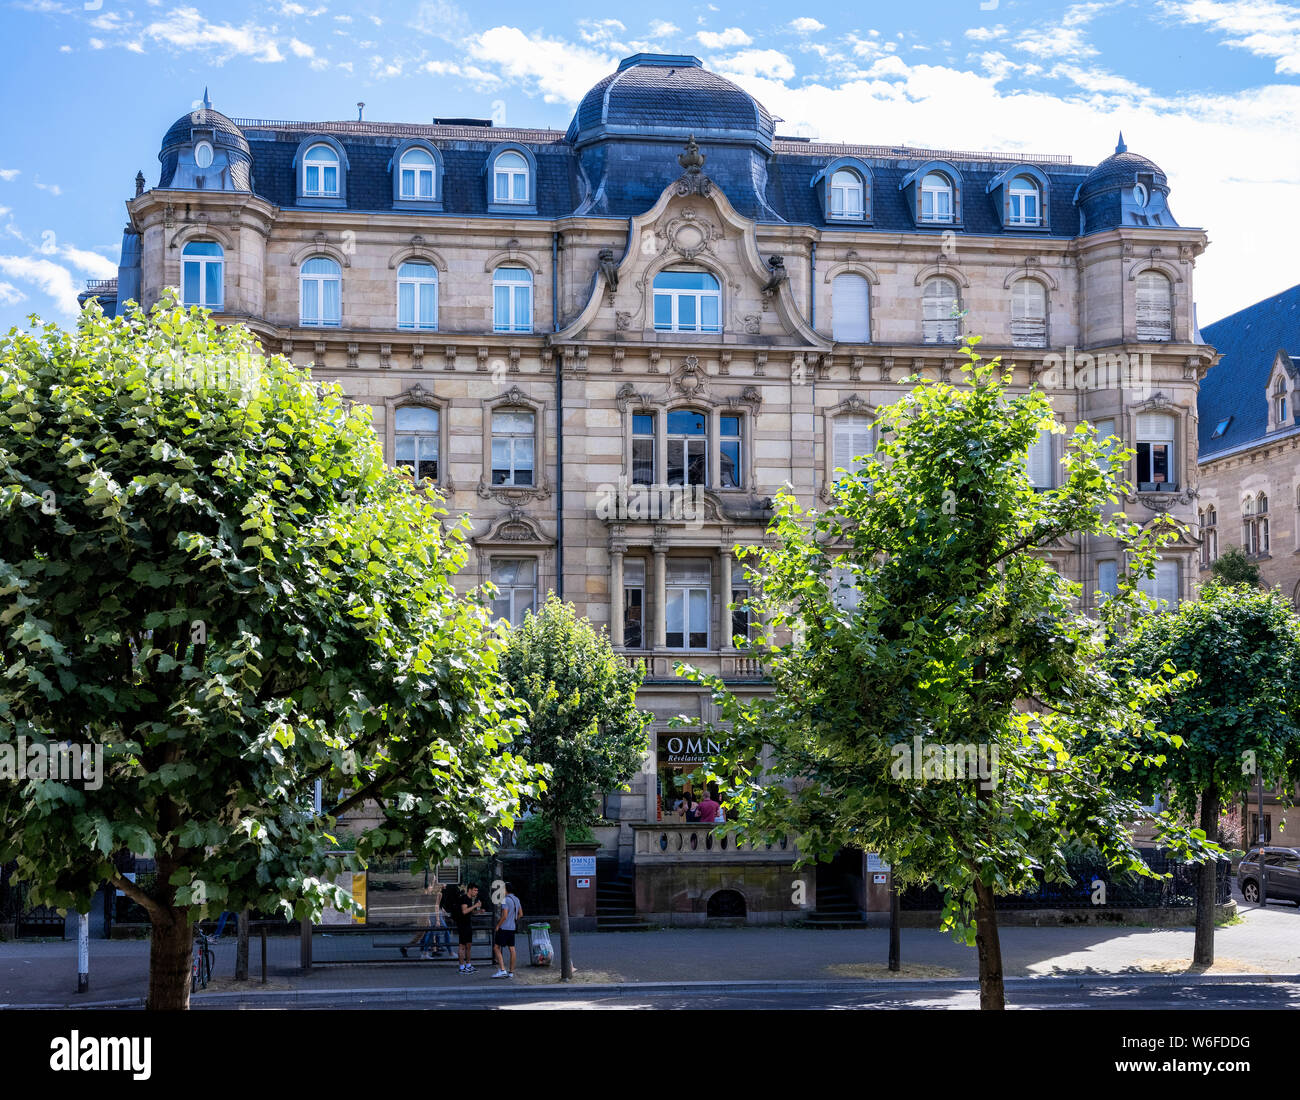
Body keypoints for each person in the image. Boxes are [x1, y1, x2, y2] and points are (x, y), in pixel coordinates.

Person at [401, 877, 445, 959]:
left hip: (425, 916)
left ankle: (434, 950)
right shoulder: (424, 894)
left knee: (431, 932)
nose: (432, 887)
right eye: (430, 886)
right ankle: (405, 948)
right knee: (420, 935)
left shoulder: (427, 893)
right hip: (422, 917)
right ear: (426, 887)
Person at [491, 882, 524, 978]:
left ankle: (502, 969)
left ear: (505, 890)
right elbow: (521, 914)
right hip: (512, 928)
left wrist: (498, 925)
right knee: (512, 949)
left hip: (504, 928)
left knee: (496, 948)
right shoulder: (516, 899)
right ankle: (511, 972)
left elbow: (504, 915)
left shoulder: (505, 900)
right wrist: (513, 920)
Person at [455, 882, 482, 973]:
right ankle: (461, 967)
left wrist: (479, 911)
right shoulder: (464, 898)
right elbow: (464, 911)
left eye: (477, 890)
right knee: (462, 946)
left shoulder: (470, 899)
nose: (476, 892)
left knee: (469, 946)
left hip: (467, 924)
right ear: (469, 890)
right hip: (462, 925)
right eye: (475, 890)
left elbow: (470, 912)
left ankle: (468, 965)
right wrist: (475, 906)